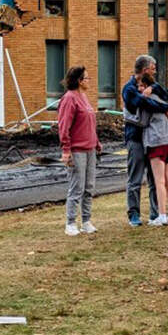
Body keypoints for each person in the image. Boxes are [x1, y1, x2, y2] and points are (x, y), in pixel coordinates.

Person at [122, 54, 168, 227]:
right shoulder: (128, 89)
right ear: (144, 69)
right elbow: (143, 104)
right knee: (135, 177)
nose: (155, 71)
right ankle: (133, 214)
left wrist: (154, 92)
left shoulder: (153, 85)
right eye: (153, 68)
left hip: (152, 137)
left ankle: (155, 213)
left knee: (154, 177)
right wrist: (155, 102)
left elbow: (166, 100)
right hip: (135, 137)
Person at [58, 65, 102, 236]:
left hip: (90, 148)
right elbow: (64, 126)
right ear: (79, 80)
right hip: (76, 150)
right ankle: (70, 223)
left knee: (89, 186)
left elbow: (89, 123)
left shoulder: (84, 97)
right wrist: (66, 149)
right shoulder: (69, 99)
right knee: (77, 187)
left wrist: (96, 142)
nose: (89, 81)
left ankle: (86, 220)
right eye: (87, 78)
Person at [138, 73, 168, 226]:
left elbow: (142, 121)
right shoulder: (163, 100)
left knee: (158, 181)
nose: (140, 89)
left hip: (156, 142)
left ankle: (161, 215)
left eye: (142, 86)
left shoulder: (147, 101)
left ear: (148, 86)